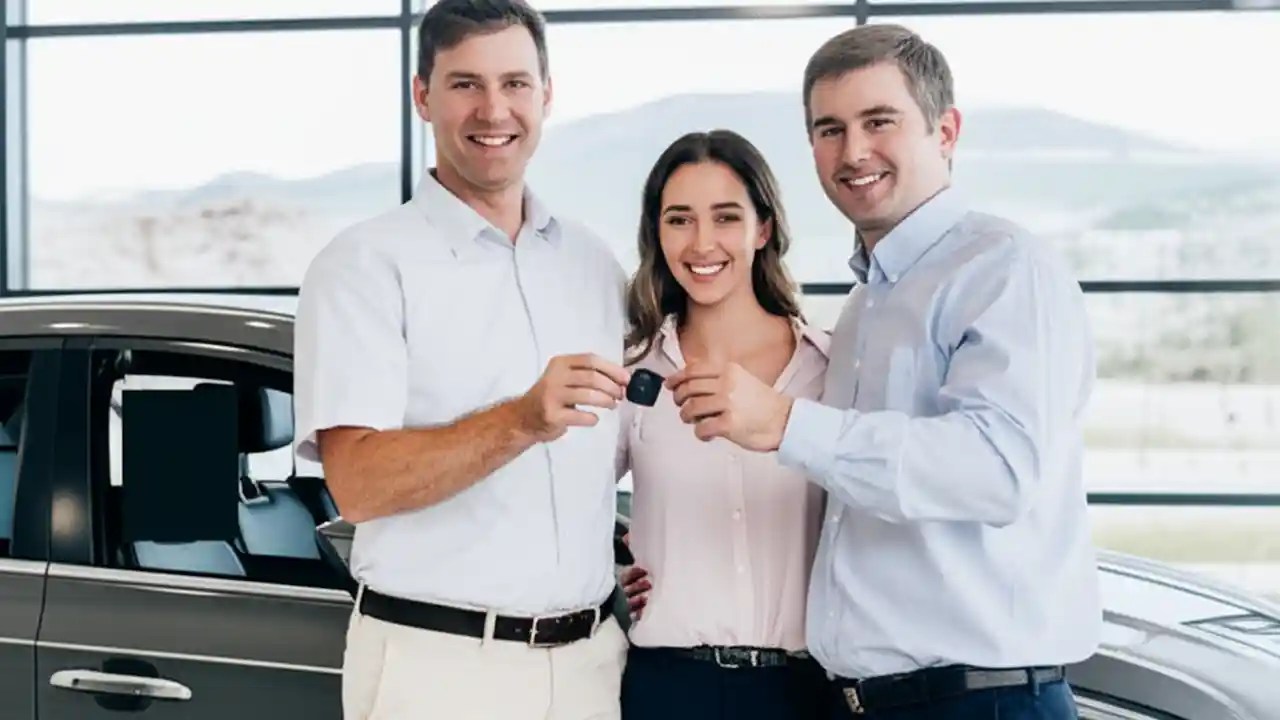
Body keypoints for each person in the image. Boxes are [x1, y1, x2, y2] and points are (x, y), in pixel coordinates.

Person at [664, 23, 1102, 719]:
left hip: (979, 700)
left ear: (946, 130)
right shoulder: (870, 302)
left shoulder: (1004, 269)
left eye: (879, 122)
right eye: (829, 129)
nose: (853, 152)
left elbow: (999, 470)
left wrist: (785, 423)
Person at [292, 1, 631, 718]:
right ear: (422, 95)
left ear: (547, 94)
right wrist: (520, 419)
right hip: (438, 670)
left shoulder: (594, 264)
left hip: (593, 664)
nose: (493, 109)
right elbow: (357, 483)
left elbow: (611, 455)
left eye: (515, 83)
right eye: (465, 84)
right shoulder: (363, 265)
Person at [612, 129, 830, 720]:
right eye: (679, 219)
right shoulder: (634, 376)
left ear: (763, 229)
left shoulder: (829, 370)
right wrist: (610, 572)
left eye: (726, 217)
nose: (702, 242)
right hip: (667, 691)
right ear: (656, 233)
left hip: (808, 692)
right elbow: (563, 497)